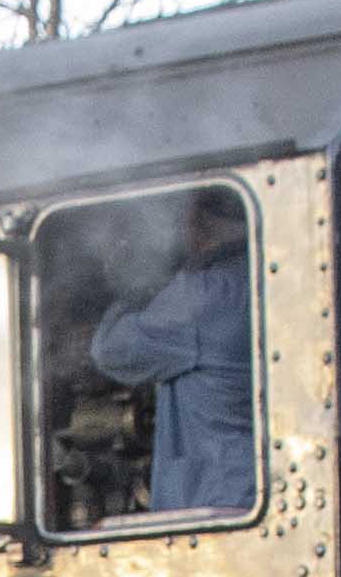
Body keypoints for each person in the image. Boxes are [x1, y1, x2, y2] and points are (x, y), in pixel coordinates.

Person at [87, 197, 256, 512]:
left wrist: (134, 289)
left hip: (215, 495)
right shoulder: (260, 276)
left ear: (197, 223)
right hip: (253, 483)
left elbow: (111, 350)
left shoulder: (205, 292)